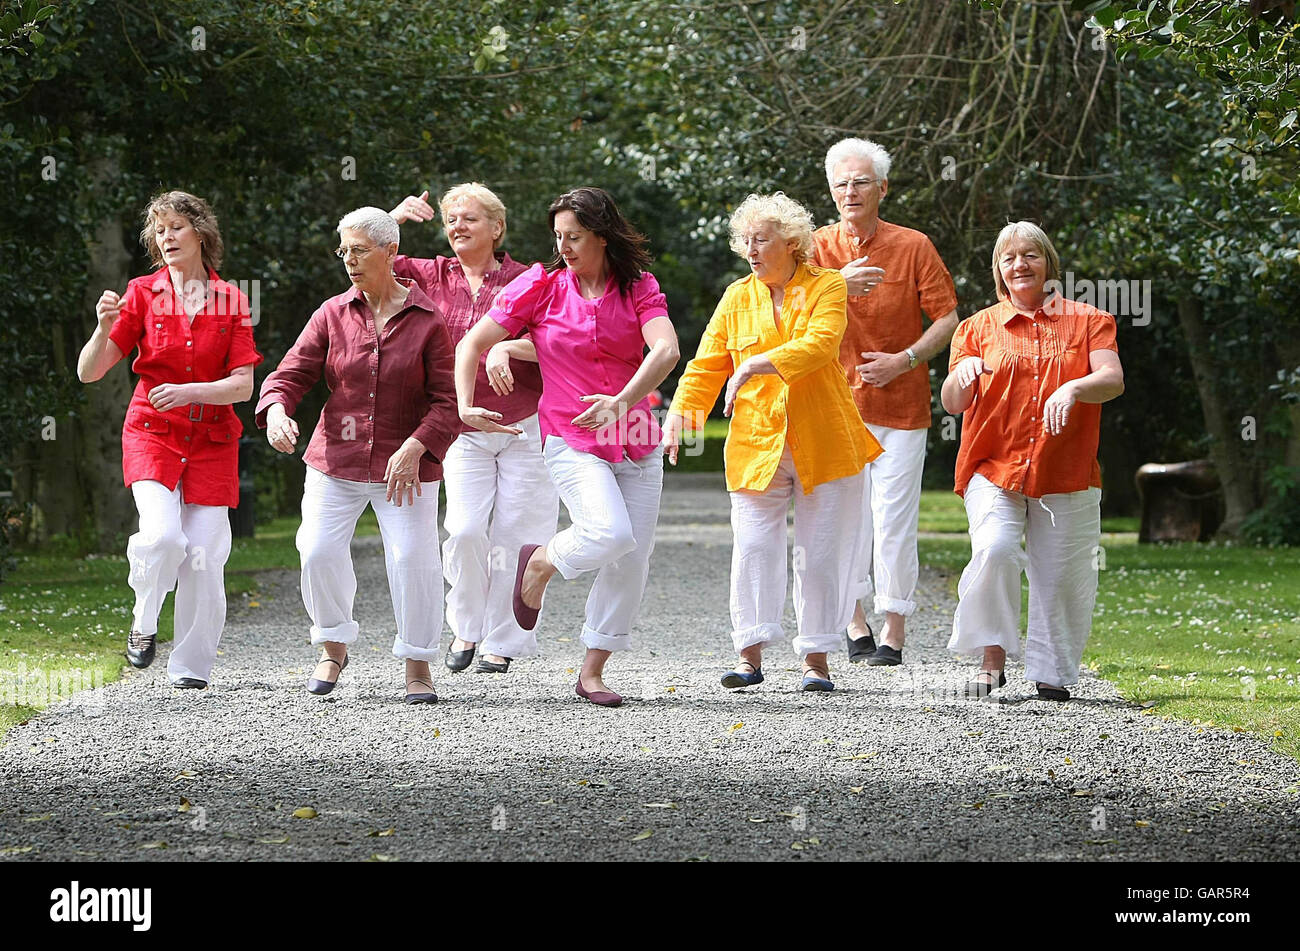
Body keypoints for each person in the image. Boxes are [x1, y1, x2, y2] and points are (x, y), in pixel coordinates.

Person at [455, 187, 679, 707]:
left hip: (637, 437)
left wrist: (622, 402)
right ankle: (540, 563)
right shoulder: (542, 285)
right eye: (559, 237)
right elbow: (472, 342)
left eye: (575, 237)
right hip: (571, 435)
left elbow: (665, 349)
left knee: (632, 557)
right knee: (610, 532)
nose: (566, 247)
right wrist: (467, 403)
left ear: (603, 235)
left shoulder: (639, 286)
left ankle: (592, 672)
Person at [664, 193, 881, 692]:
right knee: (754, 548)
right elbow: (706, 365)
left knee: (820, 553)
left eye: (761, 240)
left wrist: (755, 364)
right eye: (746, 240)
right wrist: (681, 415)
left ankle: (816, 661)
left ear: (791, 242)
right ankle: (749, 656)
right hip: (755, 442)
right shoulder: (736, 296)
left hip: (826, 440)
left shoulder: (826, 284)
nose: (751, 249)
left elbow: (822, 344)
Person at [256, 207, 459, 703]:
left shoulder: (429, 321)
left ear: (391, 252)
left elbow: (449, 403)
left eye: (358, 250)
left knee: (414, 559)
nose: (347, 259)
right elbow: (289, 374)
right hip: (335, 461)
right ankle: (332, 643)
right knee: (317, 550)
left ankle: (417, 665)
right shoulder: (330, 313)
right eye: (343, 250)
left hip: (406, 467)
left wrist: (416, 445)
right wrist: (277, 410)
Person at [76, 190, 261, 689]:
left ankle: (191, 667)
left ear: (201, 232)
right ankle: (143, 619)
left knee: (204, 553)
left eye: (177, 226)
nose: (167, 236)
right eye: (160, 230)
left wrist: (190, 392)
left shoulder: (232, 299)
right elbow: (90, 372)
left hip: (213, 440)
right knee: (162, 537)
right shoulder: (140, 293)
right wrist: (101, 329)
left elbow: (242, 386)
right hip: (152, 433)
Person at [940, 221, 1124, 701]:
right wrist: (961, 375)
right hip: (992, 466)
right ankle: (991, 658)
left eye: (1030, 256)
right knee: (995, 549)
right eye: (1009, 258)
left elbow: (1112, 379)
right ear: (999, 271)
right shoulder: (976, 328)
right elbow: (953, 403)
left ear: (1049, 264)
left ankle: (1052, 673)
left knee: (1063, 574)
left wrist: (1075, 386)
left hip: (1066, 470)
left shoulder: (1089, 321)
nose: (1019, 265)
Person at [388, 184, 557, 675]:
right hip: (458, 425)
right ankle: (465, 625)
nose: (458, 226)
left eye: (470, 218)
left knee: (515, 533)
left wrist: (507, 347)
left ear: (497, 228)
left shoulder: (531, 279)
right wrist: (394, 218)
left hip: (523, 424)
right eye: (451, 219)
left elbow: (559, 343)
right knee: (463, 530)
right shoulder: (427, 275)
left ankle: (501, 641)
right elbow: (367, 259)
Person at [812, 137, 959, 666]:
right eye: (841, 183)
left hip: (901, 405)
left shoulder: (914, 245)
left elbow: (947, 316)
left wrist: (907, 359)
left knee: (894, 518)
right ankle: (854, 622)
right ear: (831, 191)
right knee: (845, 518)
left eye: (861, 182)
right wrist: (834, 284)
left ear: (883, 188)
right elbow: (780, 306)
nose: (850, 191)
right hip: (834, 406)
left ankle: (893, 627)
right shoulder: (813, 249)